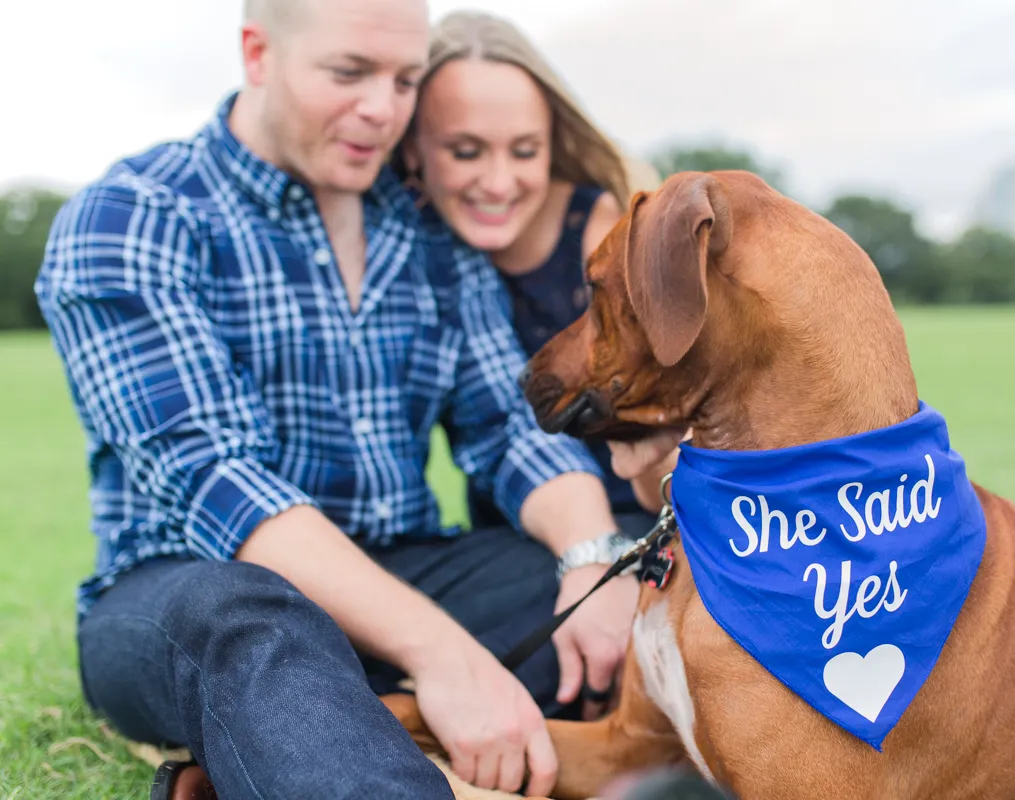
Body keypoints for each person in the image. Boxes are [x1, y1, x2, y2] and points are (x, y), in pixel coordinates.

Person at [34, 0, 648, 796]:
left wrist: (591, 560)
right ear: (258, 54)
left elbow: (508, 430)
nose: (382, 110)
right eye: (349, 73)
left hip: (407, 569)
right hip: (193, 586)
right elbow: (219, 482)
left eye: (403, 81)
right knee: (246, 618)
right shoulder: (134, 217)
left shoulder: (427, 227)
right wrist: (444, 654)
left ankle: (293, 750)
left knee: (638, 556)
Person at [393, 11, 675, 531]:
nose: (498, 183)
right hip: (513, 536)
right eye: (466, 151)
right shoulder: (410, 248)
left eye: (524, 151)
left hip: (642, 517)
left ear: (552, 144)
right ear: (413, 148)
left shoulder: (605, 240)